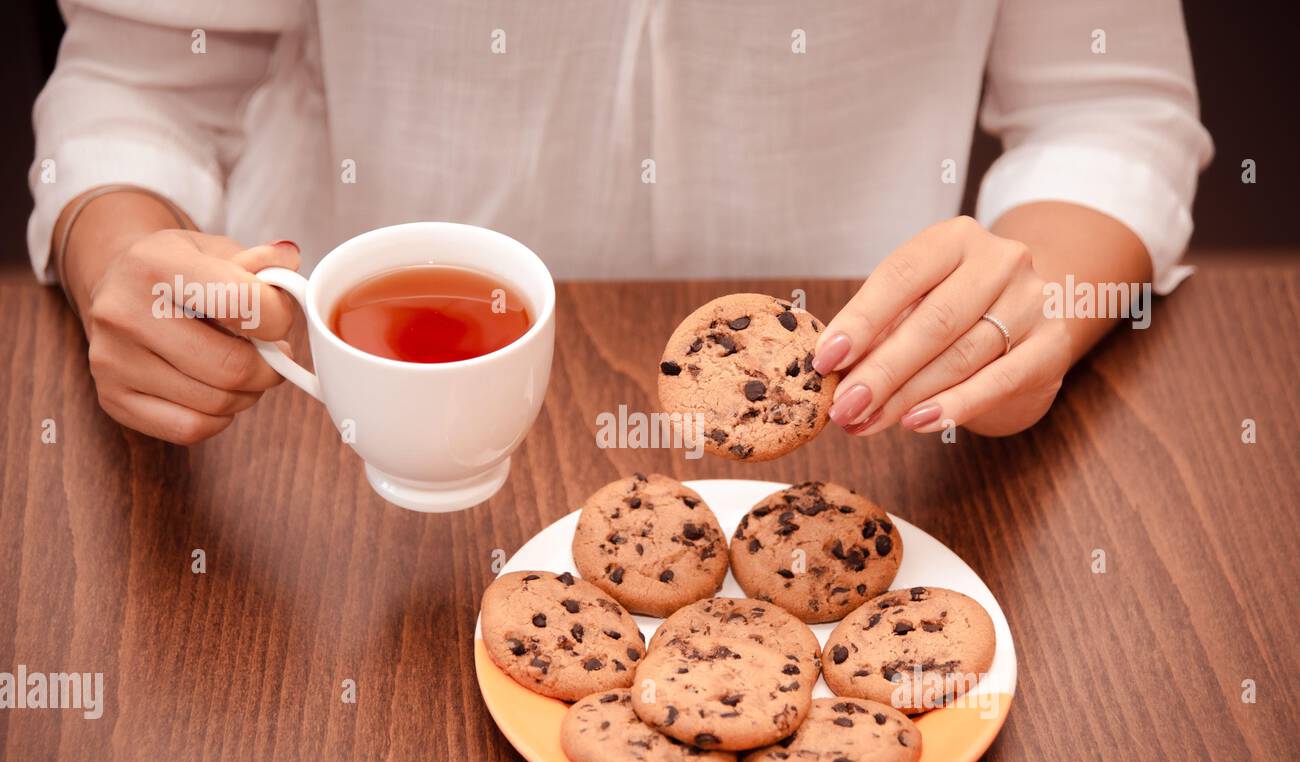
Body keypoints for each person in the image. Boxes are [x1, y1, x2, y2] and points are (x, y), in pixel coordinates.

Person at [29, 0, 1211, 445]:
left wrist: (1038, 304)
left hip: (877, 436)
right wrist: (115, 246)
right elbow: (143, 82)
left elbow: (1107, 107)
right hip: (323, 433)